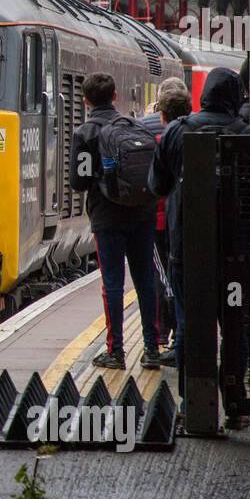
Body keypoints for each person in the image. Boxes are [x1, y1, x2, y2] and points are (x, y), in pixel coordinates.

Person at [149, 67, 250, 429]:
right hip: (235, 248)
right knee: (235, 322)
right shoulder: (248, 134)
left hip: (185, 248)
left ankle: (193, 405)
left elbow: (158, 186)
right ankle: (236, 405)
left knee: (189, 323)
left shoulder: (176, 130)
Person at [70, 73, 161, 371]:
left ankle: (116, 351)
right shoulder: (135, 126)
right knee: (146, 280)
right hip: (142, 213)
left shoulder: (85, 134)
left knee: (112, 283)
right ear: (115, 96)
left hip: (107, 216)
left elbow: (80, 182)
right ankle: (151, 349)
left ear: (85, 100)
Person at [138, 79, 190, 361]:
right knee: (181, 278)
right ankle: (180, 337)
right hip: (189, 220)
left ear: (160, 108)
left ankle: (162, 336)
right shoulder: (196, 128)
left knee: (161, 277)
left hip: (158, 218)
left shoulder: (146, 128)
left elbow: (156, 183)